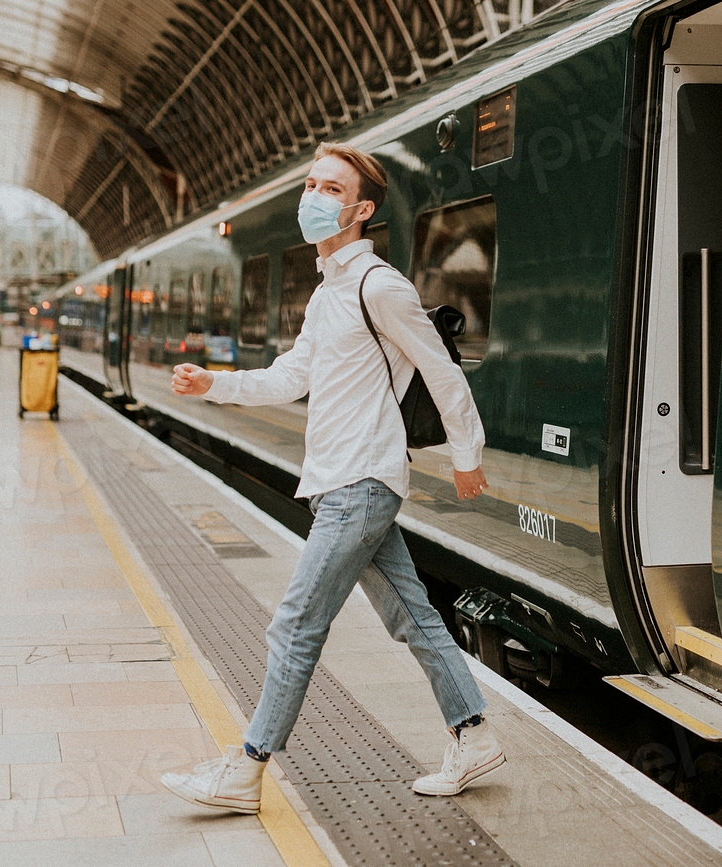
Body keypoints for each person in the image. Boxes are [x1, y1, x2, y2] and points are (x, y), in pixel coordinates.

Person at [161, 142, 504, 814]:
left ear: (362, 210)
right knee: (413, 617)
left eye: (331, 189)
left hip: (361, 483)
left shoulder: (379, 286)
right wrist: (214, 384)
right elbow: (293, 377)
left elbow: (442, 370)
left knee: (294, 625)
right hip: (340, 483)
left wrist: (468, 453)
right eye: (311, 185)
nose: (314, 198)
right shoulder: (328, 294)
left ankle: (246, 769)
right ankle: (475, 734)